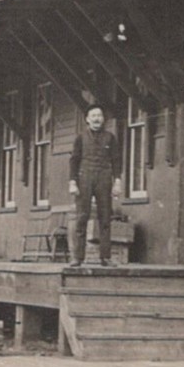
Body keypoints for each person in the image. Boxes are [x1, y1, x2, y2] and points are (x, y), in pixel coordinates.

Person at [69, 104, 122, 267]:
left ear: (103, 119)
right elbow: (74, 160)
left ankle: (105, 257)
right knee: (81, 218)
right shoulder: (80, 138)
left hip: (104, 178)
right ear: (87, 119)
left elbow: (116, 160)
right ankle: (77, 257)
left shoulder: (110, 138)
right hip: (84, 178)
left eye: (99, 115)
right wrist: (73, 182)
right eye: (93, 116)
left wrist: (117, 182)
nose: (97, 119)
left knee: (105, 218)